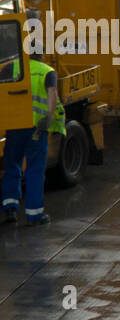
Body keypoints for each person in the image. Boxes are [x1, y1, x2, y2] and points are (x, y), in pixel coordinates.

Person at [2, 24, 64, 228]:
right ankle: (34, 214)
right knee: (35, 169)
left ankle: (10, 207)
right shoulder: (48, 71)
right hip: (36, 128)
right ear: (43, 54)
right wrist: (48, 116)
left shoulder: (12, 67)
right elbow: (52, 93)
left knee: (12, 165)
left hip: (14, 126)